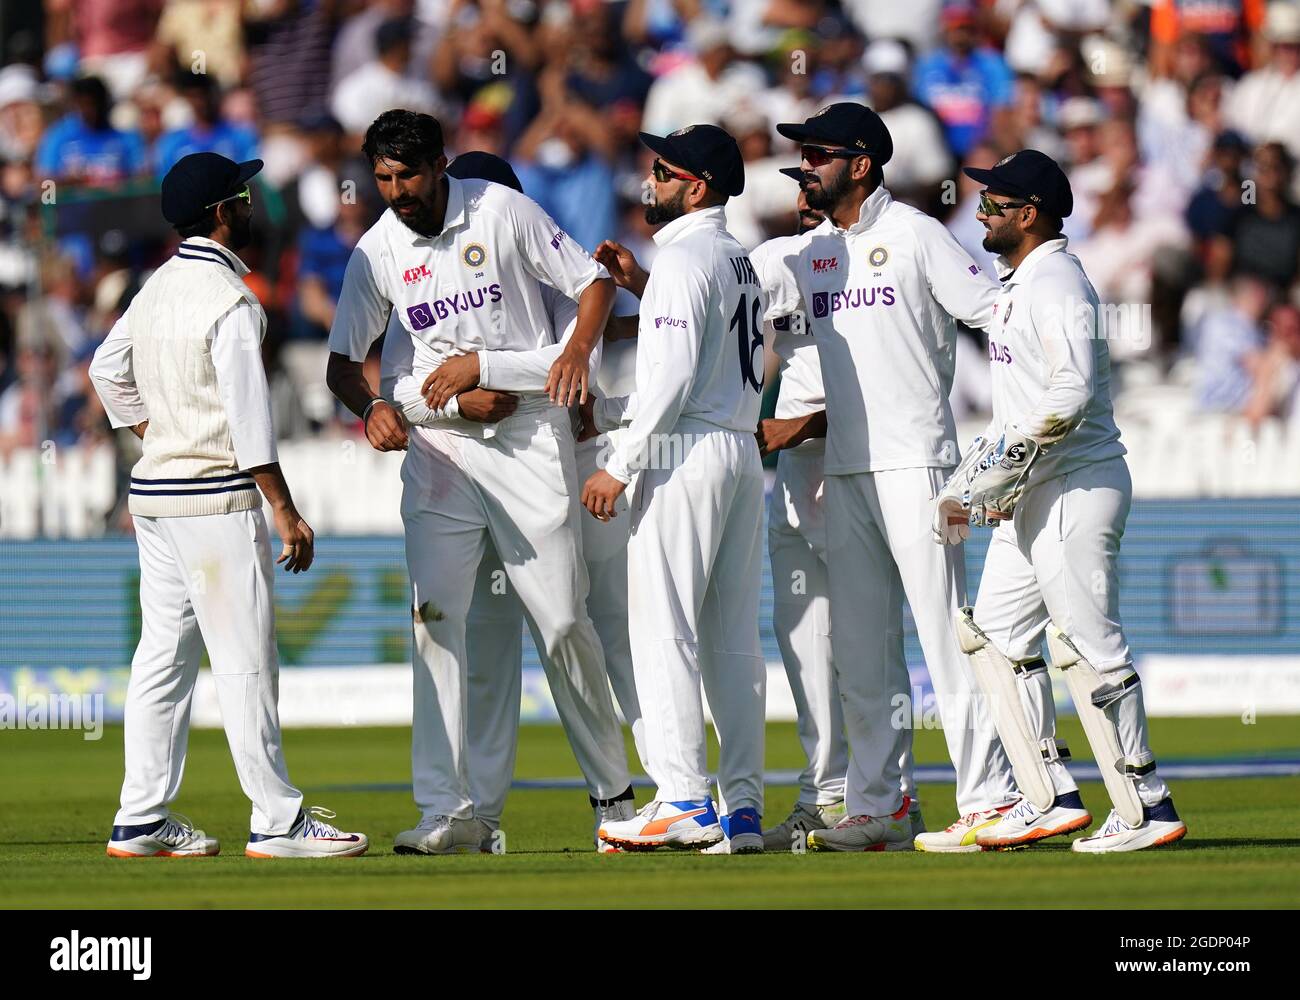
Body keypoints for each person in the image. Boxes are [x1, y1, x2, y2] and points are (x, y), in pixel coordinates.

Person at [324, 110, 632, 855]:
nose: (397, 193)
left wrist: (575, 356)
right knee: (436, 621)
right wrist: (373, 409)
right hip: (441, 451)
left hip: (527, 438)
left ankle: (615, 799)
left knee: (561, 622)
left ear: (440, 166)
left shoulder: (500, 210)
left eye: (409, 176)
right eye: (384, 179)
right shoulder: (377, 251)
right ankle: (452, 811)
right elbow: (344, 364)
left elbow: (594, 284)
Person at [88, 152, 366, 860]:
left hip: (156, 497)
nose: (251, 208)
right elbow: (248, 417)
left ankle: (141, 817)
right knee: (244, 660)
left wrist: (163, 436)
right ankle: (276, 820)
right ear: (223, 212)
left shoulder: (152, 290)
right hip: (212, 500)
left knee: (163, 660)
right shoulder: (231, 299)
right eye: (242, 198)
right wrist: (285, 509)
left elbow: (104, 370)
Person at [763, 103, 1019, 853]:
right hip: (845, 471)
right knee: (863, 650)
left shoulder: (915, 233)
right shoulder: (809, 253)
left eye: (817, 153)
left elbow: (997, 312)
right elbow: (720, 299)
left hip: (919, 464)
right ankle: (880, 808)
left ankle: (992, 798)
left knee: (945, 639)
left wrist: (1023, 428)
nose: (805, 165)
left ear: (861, 164)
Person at [937, 149, 1187, 853]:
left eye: (994, 202)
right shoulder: (1019, 284)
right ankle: (1044, 796)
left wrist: (997, 474)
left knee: (1086, 642)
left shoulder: (1057, 283)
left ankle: (1146, 803)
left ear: (1030, 214)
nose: (980, 211)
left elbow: (1070, 395)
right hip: (1035, 493)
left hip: (1077, 485)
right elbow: (1017, 408)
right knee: (992, 635)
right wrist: (976, 482)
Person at [583, 125, 768, 854]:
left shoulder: (685, 256)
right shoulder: (732, 257)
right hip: (738, 452)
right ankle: (743, 808)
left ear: (695, 187)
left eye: (662, 171)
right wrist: (642, 285)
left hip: (684, 449)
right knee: (730, 641)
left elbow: (668, 377)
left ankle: (685, 799)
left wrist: (619, 463)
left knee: (663, 629)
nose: (647, 180)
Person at [750, 166, 925, 849]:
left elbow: (890, 382)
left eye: (811, 179)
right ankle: (823, 795)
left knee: (872, 648)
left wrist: (806, 424)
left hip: (860, 465)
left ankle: (894, 797)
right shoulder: (778, 259)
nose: (802, 196)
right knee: (805, 649)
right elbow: (711, 305)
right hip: (795, 476)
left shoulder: (868, 259)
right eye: (795, 185)